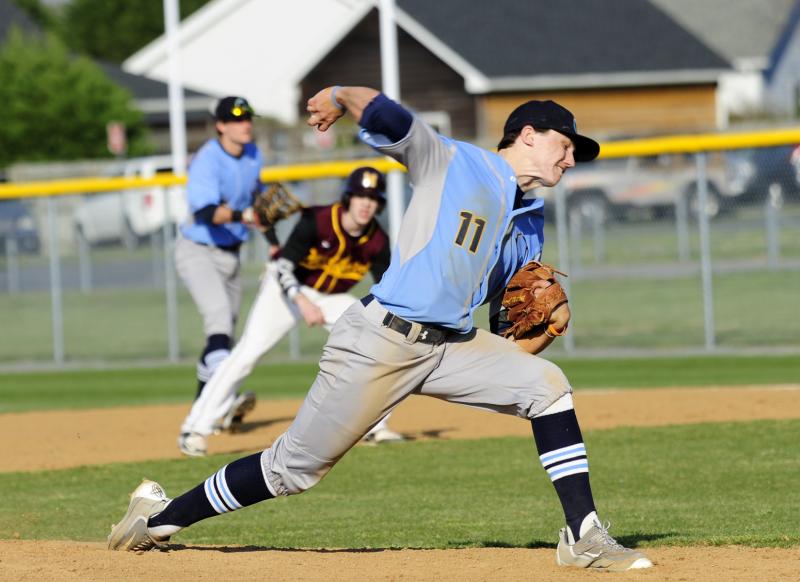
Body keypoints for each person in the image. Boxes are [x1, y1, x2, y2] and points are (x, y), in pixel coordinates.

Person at [108, 86, 653, 572]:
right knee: (292, 470)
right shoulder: (455, 162)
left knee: (547, 386)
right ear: (528, 135)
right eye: (566, 145)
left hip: (452, 346)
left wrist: (540, 329)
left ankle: (584, 536)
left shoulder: (530, 220)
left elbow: (505, 328)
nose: (571, 158)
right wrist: (343, 95)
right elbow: (396, 120)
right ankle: (158, 520)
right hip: (381, 340)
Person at [177, 166, 404, 457]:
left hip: (332, 297)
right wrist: (301, 301)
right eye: (360, 195)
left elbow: (386, 290)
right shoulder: (318, 220)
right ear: (348, 198)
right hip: (285, 289)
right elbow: (283, 266)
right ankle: (194, 429)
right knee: (248, 352)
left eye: (373, 198)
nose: (366, 203)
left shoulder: (377, 240)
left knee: (375, 345)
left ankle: (375, 425)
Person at [175, 96, 276, 424]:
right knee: (218, 319)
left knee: (222, 337)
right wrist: (245, 213)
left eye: (247, 117)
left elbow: (258, 202)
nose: (244, 124)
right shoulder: (208, 159)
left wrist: (274, 242)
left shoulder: (253, 154)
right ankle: (227, 402)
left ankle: (200, 410)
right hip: (198, 250)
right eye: (235, 119)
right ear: (220, 125)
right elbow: (205, 212)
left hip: (231, 252)